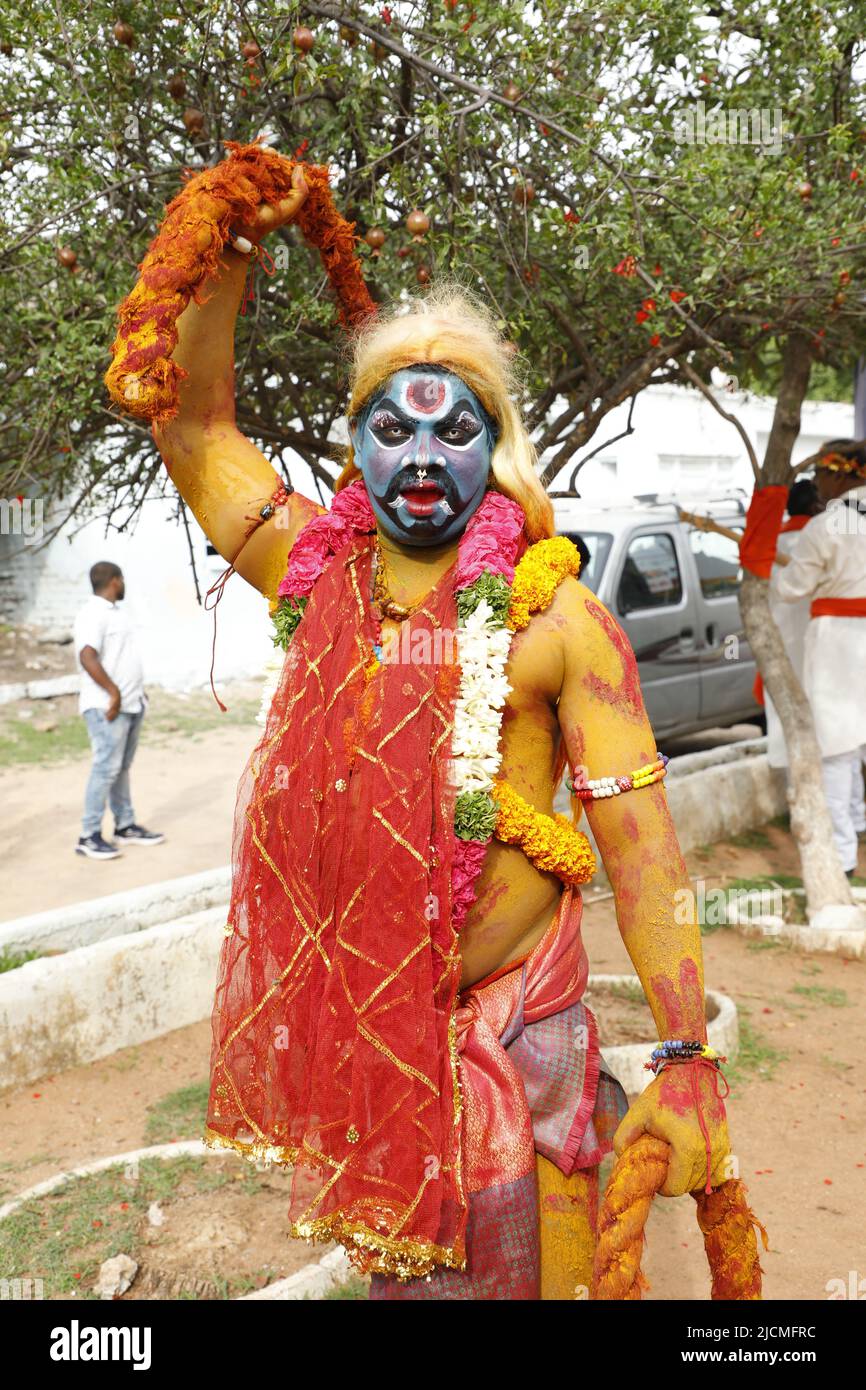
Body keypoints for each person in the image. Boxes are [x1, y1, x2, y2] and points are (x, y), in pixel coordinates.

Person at [119, 146, 731, 1299]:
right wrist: (230, 260)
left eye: (450, 434)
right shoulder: (312, 567)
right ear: (354, 445)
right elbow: (194, 430)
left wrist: (688, 1053)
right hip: (376, 1033)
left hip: (523, 1040)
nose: (416, 461)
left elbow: (643, 849)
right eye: (389, 431)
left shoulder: (557, 616)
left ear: (491, 446)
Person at [775, 441, 866, 877]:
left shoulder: (826, 527)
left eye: (823, 475)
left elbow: (791, 588)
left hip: (838, 644)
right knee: (857, 743)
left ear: (840, 475)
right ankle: (859, 827)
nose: (819, 484)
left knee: (837, 748)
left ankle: (844, 858)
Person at [73, 561, 164, 859]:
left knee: (120, 768)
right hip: (106, 706)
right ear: (114, 581)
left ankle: (125, 826)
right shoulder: (93, 613)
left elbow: (120, 658)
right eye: (121, 579)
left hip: (131, 702)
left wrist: (134, 691)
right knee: (106, 768)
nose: (123, 584)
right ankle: (88, 836)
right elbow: (88, 656)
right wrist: (113, 692)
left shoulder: (116, 613)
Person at [763, 478, 823, 770]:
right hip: (822, 640)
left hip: (781, 640)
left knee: (784, 712)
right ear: (815, 506)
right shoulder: (825, 539)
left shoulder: (770, 544)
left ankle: (795, 785)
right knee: (823, 712)